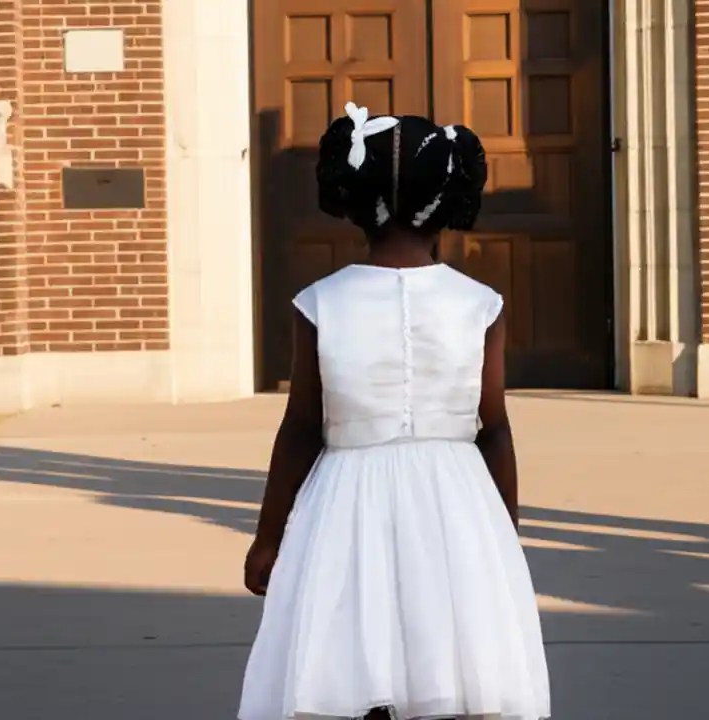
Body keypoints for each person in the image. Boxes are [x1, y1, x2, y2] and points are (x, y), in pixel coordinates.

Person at [238, 102, 550, 720]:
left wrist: (268, 536)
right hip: (457, 500)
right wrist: (503, 530)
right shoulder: (479, 303)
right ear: (448, 197)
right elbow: (496, 429)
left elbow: (300, 428)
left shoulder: (321, 302)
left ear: (354, 198)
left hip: (347, 502)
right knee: (450, 657)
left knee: (353, 653)